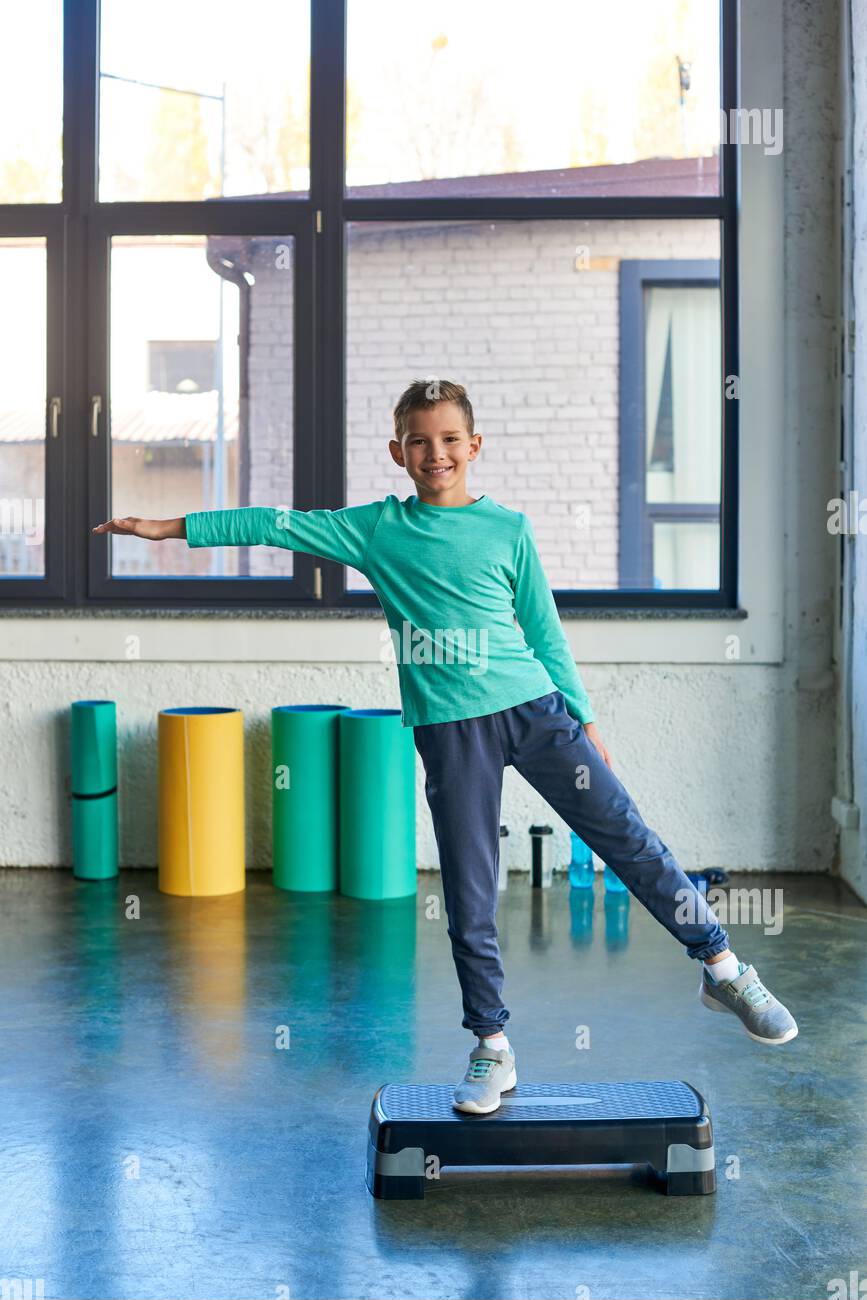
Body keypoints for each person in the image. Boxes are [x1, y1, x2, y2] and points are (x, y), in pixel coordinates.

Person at [93, 378, 798, 1113]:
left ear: (474, 445)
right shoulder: (375, 528)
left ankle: (722, 968)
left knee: (628, 838)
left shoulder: (509, 530)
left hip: (534, 709)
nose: (437, 453)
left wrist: (584, 720)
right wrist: (167, 528)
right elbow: (275, 523)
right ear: (398, 452)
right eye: (420, 442)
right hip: (450, 731)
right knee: (469, 890)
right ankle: (491, 1047)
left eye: (450, 439)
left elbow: (543, 632)